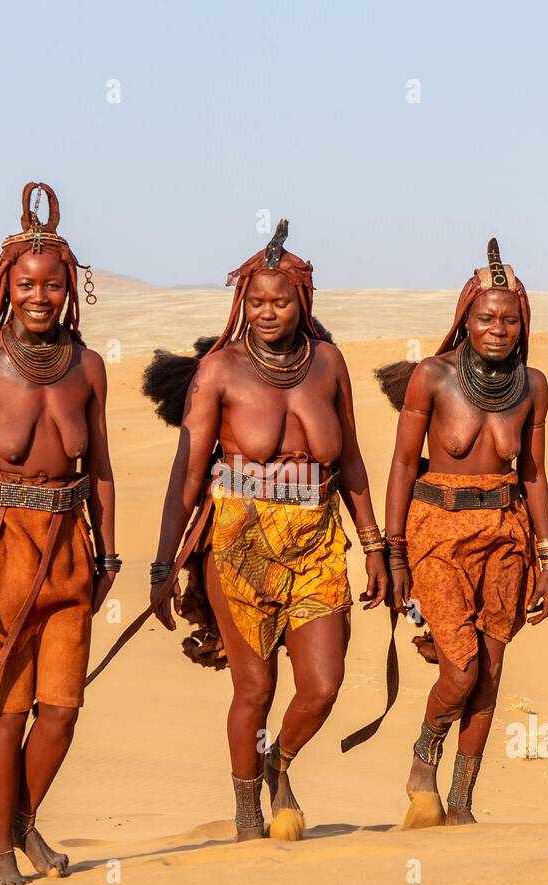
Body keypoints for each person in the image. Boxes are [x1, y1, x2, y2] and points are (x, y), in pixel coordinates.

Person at [135, 221, 387, 842]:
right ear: (240, 302)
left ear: (303, 301)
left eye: (280, 300)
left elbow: (350, 456)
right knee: (256, 687)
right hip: (238, 541)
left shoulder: (328, 363)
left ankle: (280, 762)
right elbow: (187, 473)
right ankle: (248, 818)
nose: (267, 312)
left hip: (318, 539)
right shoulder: (219, 370)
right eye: (256, 301)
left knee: (323, 687)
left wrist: (375, 542)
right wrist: (164, 566)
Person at [0, 181, 117, 885]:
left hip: (72, 552)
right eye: (27, 283)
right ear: (7, 285)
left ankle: (25, 824)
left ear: (71, 289)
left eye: (54, 284)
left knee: (62, 711)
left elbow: (99, 468)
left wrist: (110, 553)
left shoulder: (87, 367)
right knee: (5, 712)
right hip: (3, 548)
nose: (41, 296)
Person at [376, 237, 548, 827]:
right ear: (464, 320)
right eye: (486, 317)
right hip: (437, 530)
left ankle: (461, 804)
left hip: (507, 534)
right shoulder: (431, 376)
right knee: (461, 668)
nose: (498, 329)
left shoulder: (532, 385)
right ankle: (425, 751)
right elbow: (404, 464)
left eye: (509, 319)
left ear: (523, 324)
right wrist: (394, 553)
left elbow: (531, 473)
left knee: (493, 671)